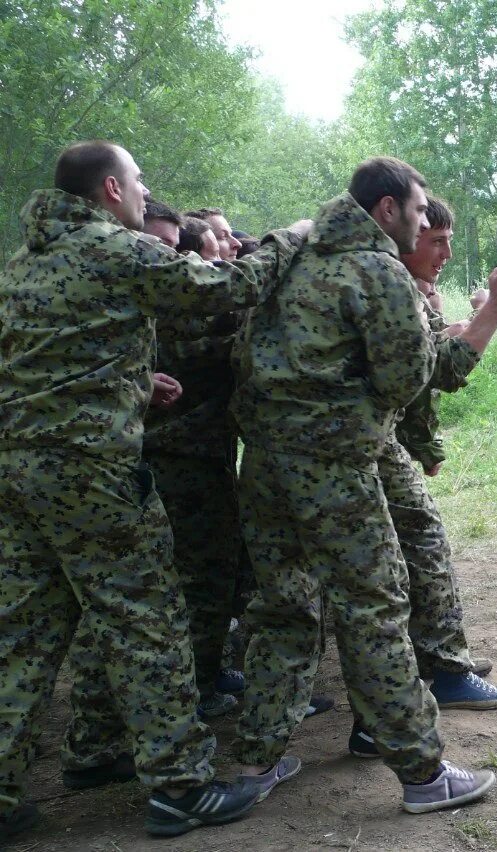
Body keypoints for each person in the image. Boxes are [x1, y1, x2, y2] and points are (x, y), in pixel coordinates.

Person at [0, 140, 307, 842]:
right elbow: (225, 289)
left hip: (20, 471)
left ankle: (29, 779)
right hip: (93, 473)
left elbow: (41, 366)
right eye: (138, 180)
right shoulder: (115, 249)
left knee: (23, 633)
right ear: (110, 189)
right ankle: (181, 787)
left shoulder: (23, 265)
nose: (145, 192)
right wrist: (290, 239)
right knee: (148, 622)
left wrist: (135, 386)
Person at [230, 157, 497, 814]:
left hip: (263, 461)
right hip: (334, 467)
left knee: (284, 608)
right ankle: (420, 772)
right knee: (374, 606)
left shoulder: (293, 255)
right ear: (386, 210)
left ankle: (255, 761)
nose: (419, 219)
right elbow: (408, 378)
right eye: (415, 209)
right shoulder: (376, 270)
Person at [351, 192, 497, 732]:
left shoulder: (393, 282)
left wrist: (425, 446)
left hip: (369, 441)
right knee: (412, 545)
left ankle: (432, 660)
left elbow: (416, 381)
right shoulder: (388, 283)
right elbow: (434, 373)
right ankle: (438, 671)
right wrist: (493, 310)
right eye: (435, 239)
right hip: (358, 445)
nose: (444, 252)